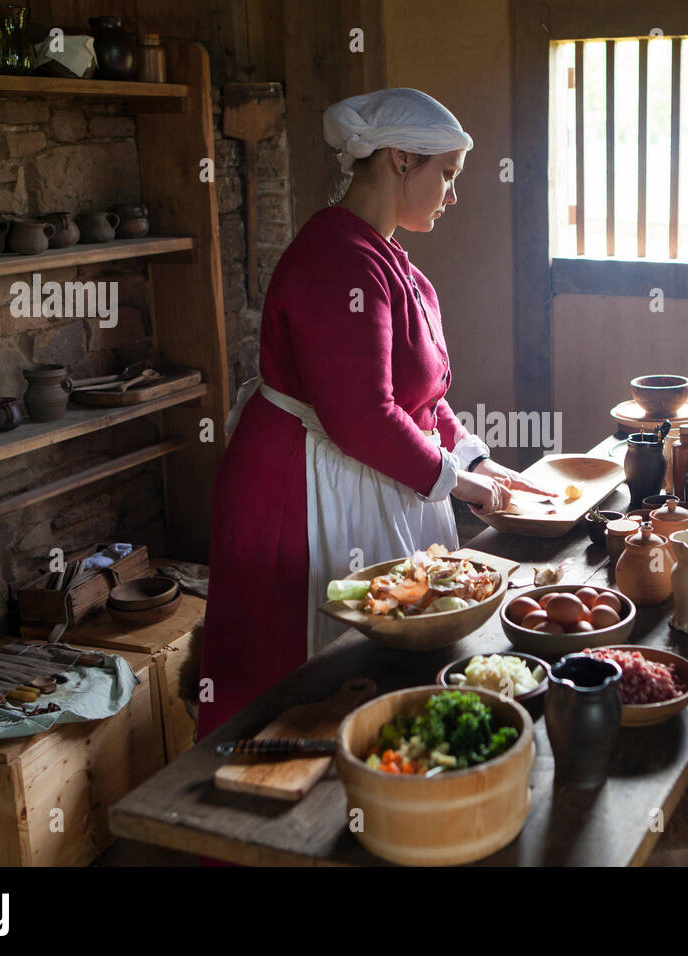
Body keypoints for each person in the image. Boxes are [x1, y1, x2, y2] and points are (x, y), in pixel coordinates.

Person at [197, 88, 552, 739]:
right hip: (299, 485)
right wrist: (463, 484)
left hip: (362, 474)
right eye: (444, 174)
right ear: (398, 160)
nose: (451, 194)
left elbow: (423, 397)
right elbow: (362, 416)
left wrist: (481, 461)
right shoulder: (338, 260)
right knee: (302, 684)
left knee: (381, 671)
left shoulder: (389, 260)